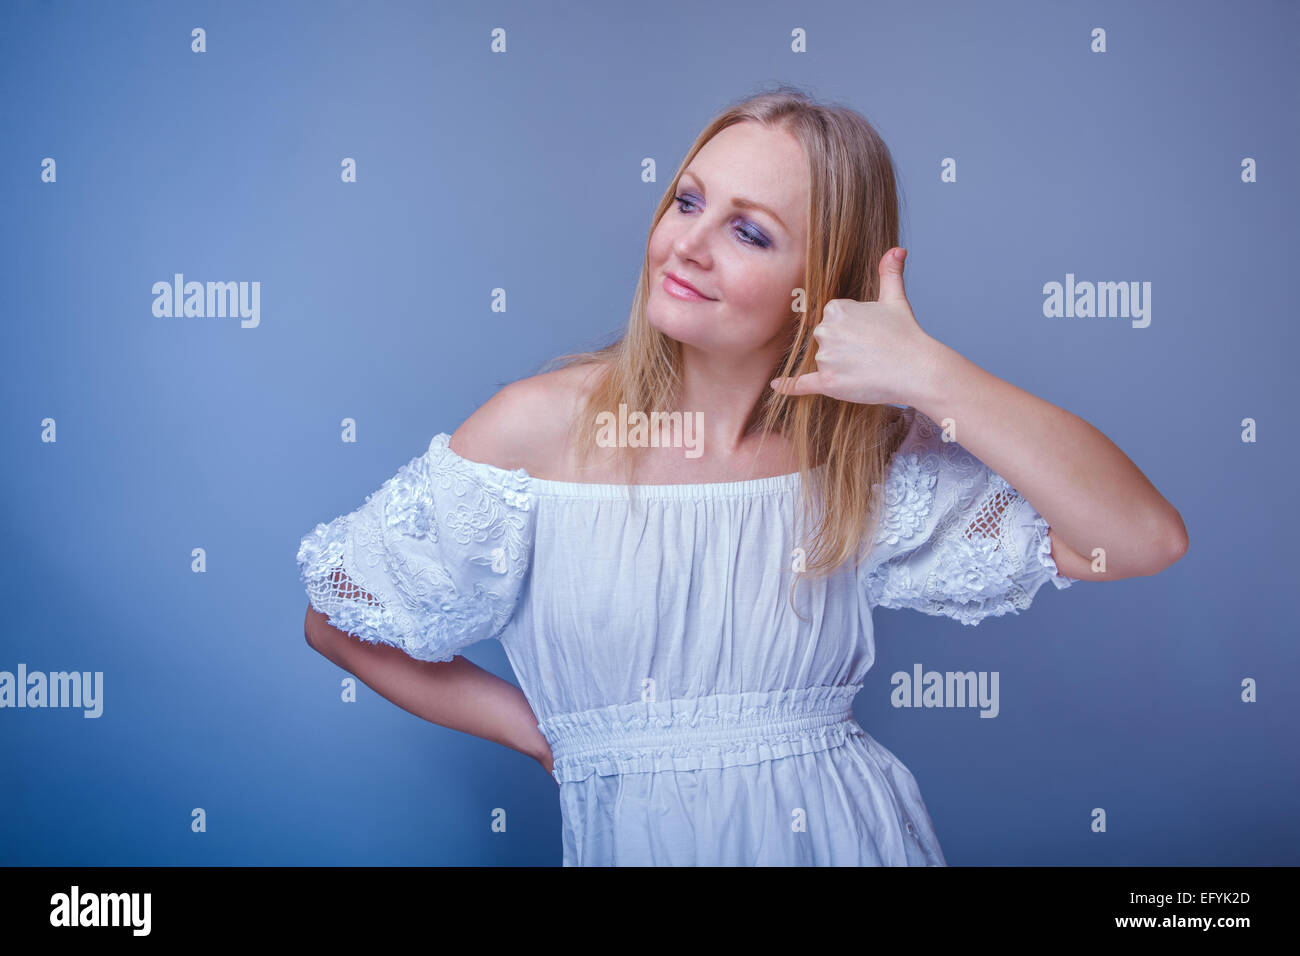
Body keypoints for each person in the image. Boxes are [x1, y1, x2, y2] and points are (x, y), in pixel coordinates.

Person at [297, 87, 1188, 866]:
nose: (687, 244)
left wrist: (932, 376)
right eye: (687, 201)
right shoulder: (538, 429)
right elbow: (338, 619)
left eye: (750, 231)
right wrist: (543, 737)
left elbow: (1141, 538)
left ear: (822, 282)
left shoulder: (857, 453)